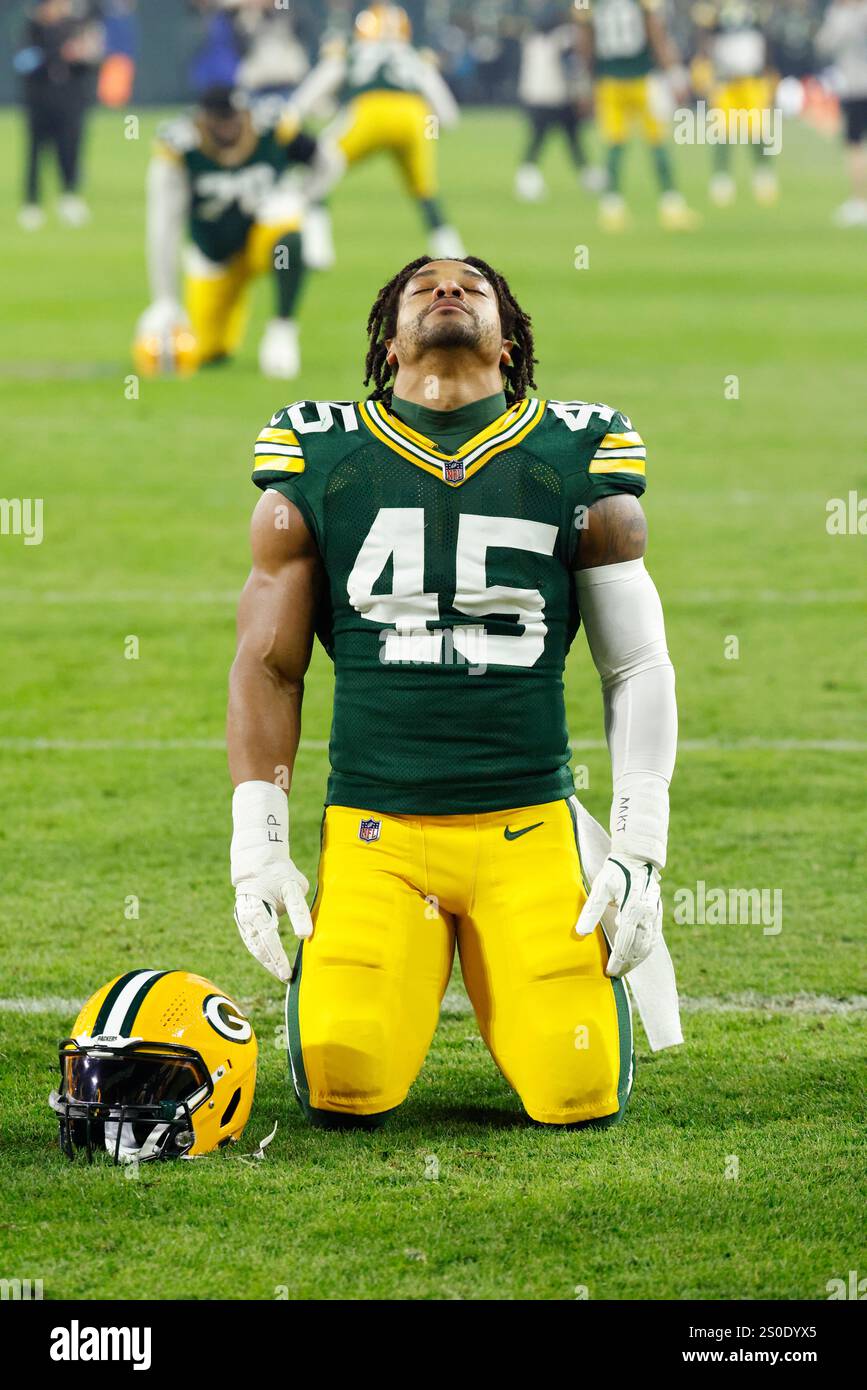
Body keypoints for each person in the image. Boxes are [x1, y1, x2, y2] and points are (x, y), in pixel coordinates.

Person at [227, 255, 679, 1130]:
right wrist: (260, 844)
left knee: (574, 1088)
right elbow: (267, 662)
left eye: (472, 286)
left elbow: (635, 666)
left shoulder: (577, 454)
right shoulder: (321, 455)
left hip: (526, 829)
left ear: (508, 344)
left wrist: (639, 846)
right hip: (376, 833)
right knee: (341, 1077)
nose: (447, 288)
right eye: (421, 285)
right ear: (387, 344)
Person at [135, 84, 321, 380]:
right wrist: (165, 298)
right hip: (215, 254)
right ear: (203, 121)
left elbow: (327, 159)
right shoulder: (180, 148)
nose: (228, 128)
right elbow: (163, 227)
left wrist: (307, 200)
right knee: (204, 352)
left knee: (289, 233)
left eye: (234, 118)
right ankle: (220, 340)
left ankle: (282, 330)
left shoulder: (271, 128)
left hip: (264, 237)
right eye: (219, 120)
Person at [285, 4, 465, 262]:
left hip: (369, 112)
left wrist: (295, 113)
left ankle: (318, 249)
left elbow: (319, 84)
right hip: (413, 116)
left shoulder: (351, 49)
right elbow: (447, 113)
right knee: (425, 189)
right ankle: (451, 250)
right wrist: (438, 126)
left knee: (319, 164)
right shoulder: (414, 55)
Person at [576, 0, 700, 230]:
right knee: (657, 142)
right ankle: (671, 206)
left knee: (615, 143)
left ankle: (611, 208)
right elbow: (656, 33)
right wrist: (674, 73)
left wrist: (585, 81)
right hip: (643, 78)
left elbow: (585, 41)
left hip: (609, 81)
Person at [15, 0, 104, 230]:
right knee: (36, 153)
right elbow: (23, 62)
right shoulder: (31, 29)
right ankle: (32, 204)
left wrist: (84, 55)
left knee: (70, 150)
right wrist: (58, 54)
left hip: (70, 102)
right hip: (39, 103)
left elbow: (93, 62)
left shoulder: (76, 26)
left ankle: (69, 197)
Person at [514, 5, 604, 201]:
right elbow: (572, 67)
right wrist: (582, 92)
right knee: (560, 138)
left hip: (535, 97)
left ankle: (529, 176)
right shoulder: (564, 38)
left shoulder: (532, 39)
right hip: (557, 97)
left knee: (562, 138)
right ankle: (529, 177)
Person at [693, 1, 778, 207]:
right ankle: (722, 178)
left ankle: (763, 174)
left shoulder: (755, 9)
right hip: (725, 80)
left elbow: (764, 39)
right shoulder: (714, 11)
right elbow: (704, 39)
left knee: (757, 130)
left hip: (752, 78)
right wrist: (704, 66)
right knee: (723, 131)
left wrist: (768, 69)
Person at [816, 0, 867, 226]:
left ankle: (859, 202)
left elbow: (824, 44)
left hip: (856, 87)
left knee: (854, 146)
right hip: (854, 86)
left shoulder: (842, 14)